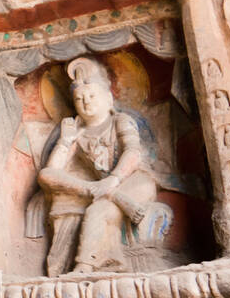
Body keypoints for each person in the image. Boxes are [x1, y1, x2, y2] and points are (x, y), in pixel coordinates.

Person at [37, 57, 158, 276]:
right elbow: (49, 172)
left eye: (92, 95)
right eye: (79, 99)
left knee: (99, 209)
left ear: (109, 99)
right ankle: (93, 192)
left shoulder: (119, 121)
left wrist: (113, 181)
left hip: (134, 180)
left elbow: (133, 152)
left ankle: (85, 267)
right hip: (98, 187)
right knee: (57, 187)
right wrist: (66, 140)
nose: (86, 102)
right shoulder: (77, 132)